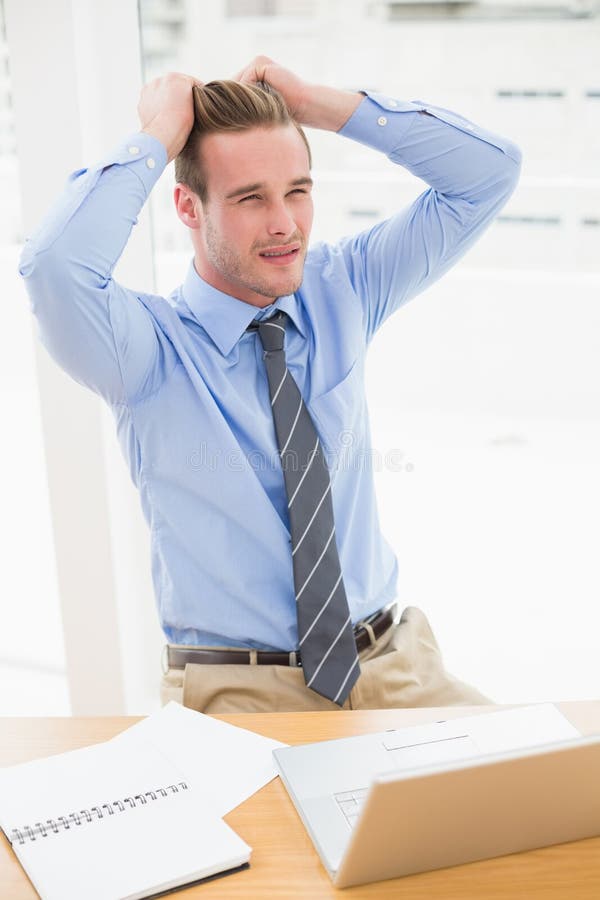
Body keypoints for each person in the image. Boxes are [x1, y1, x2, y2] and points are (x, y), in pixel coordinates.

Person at [19, 57, 521, 713]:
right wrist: (162, 132)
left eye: (297, 190)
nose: (284, 223)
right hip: (243, 691)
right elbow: (55, 268)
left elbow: (488, 175)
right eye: (251, 198)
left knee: (547, 774)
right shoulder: (146, 352)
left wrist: (316, 104)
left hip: (395, 665)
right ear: (188, 206)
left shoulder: (345, 288)